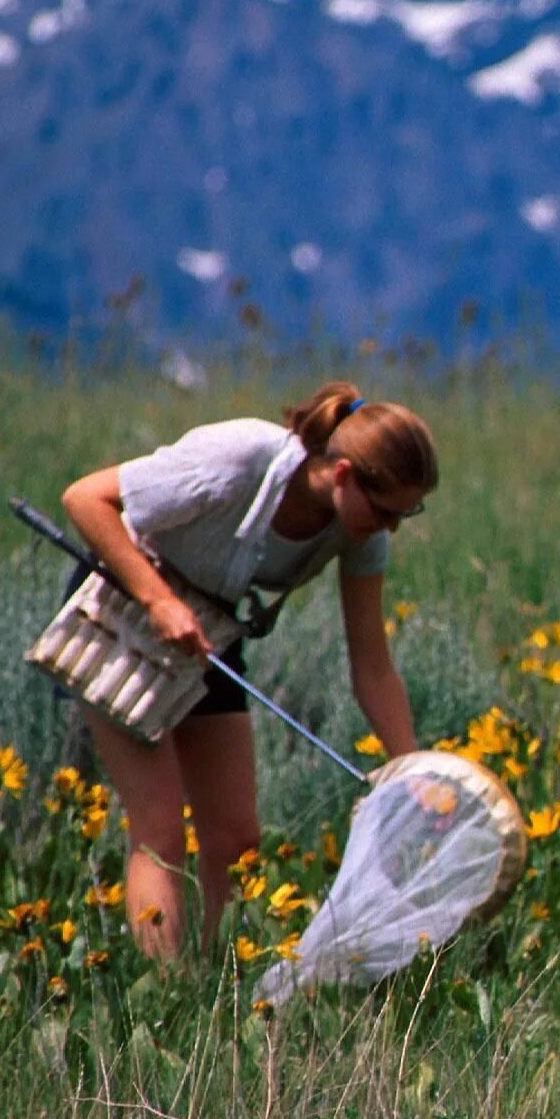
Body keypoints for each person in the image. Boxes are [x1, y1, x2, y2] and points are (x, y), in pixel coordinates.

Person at [58, 382, 436, 962]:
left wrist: (410, 769)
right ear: (341, 477)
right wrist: (158, 601)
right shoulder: (240, 457)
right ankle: (166, 1000)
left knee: (237, 841)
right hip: (123, 607)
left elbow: (373, 665)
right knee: (160, 832)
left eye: (406, 513)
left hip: (207, 627)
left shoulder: (359, 532)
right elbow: (86, 498)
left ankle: (216, 992)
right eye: (387, 511)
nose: (392, 528)